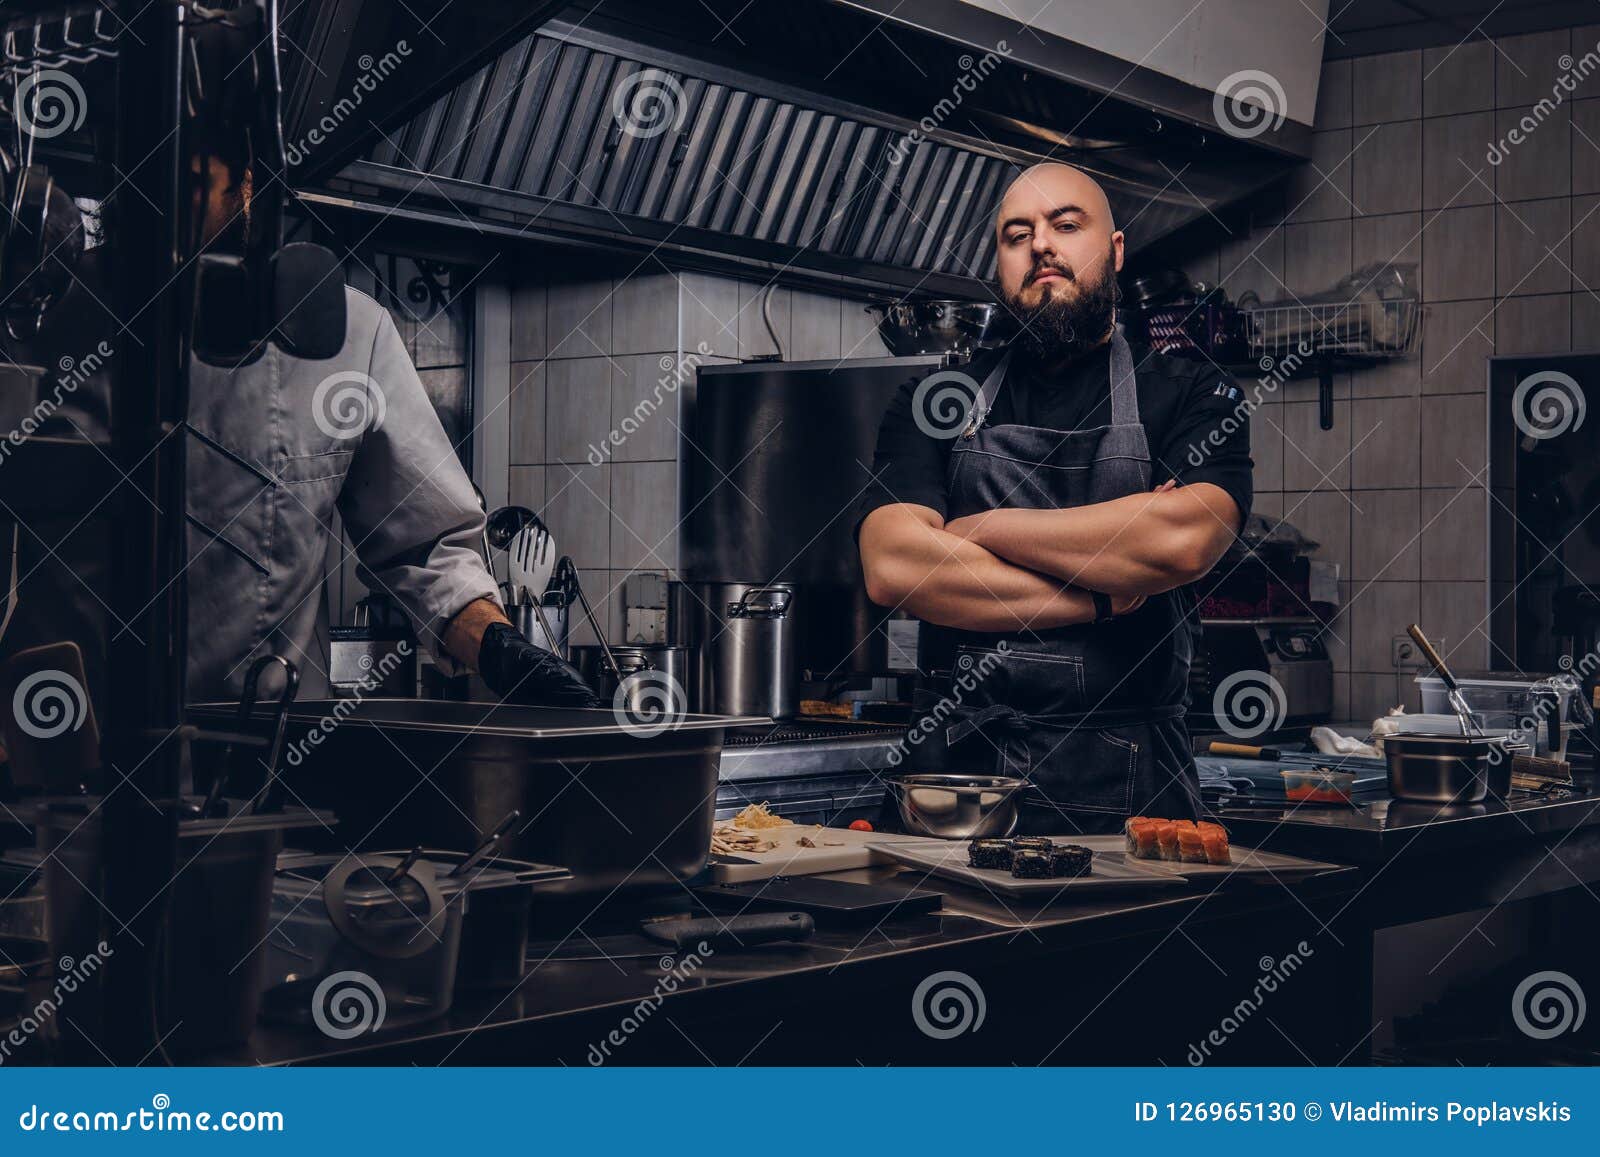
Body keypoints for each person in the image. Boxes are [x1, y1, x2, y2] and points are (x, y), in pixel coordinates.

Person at [856, 162, 1252, 833]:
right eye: (1018, 233)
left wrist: (983, 528)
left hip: (1131, 798)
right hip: (954, 789)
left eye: (1066, 225)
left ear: (1116, 251)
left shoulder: (1191, 392)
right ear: (1001, 263)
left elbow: (1182, 539)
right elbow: (893, 565)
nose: (1042, 244)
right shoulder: (936, 399)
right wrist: (1098, 594)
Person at [179, 155, 596, 706]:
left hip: (265, 757)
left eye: (192, 178)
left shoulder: (343, 335)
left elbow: (427, 547)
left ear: (249, 181)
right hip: (64, 763)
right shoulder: (58, 320)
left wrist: (501, 650)